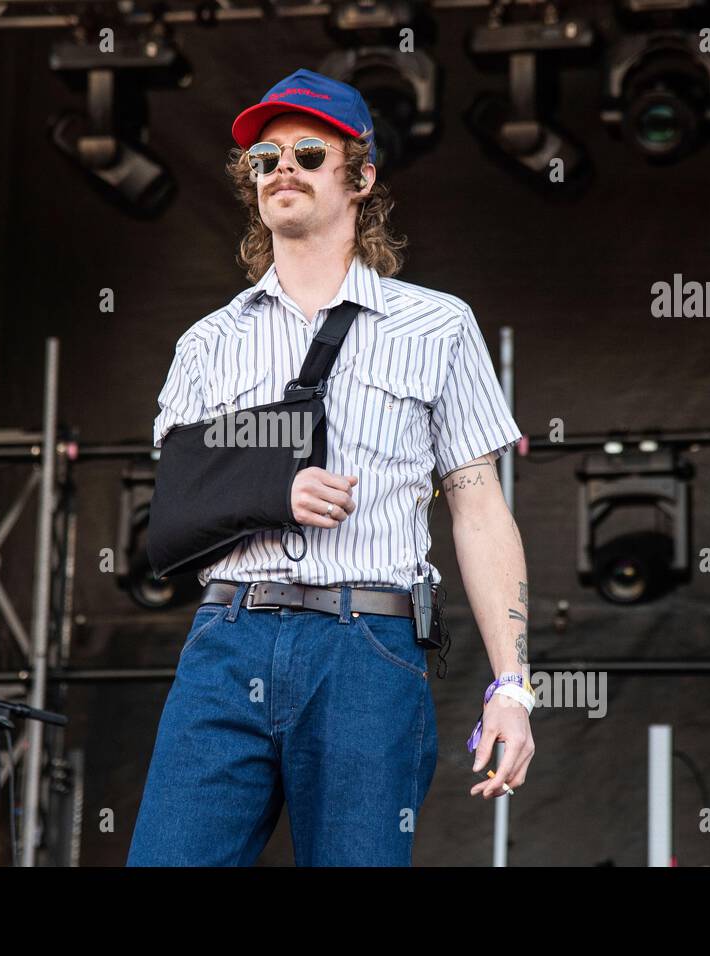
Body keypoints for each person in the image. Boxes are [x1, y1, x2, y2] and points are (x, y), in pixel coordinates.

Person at [129, 69, 534, 866]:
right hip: (229, 635)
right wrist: (269, 490)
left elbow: (480, 511)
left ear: (362, 178)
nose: (283, 168)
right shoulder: (206, 343)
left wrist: (512, 687)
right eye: (264, 158)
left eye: (309, 153)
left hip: (368, 644)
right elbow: (173, 515)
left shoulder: (438, 326)